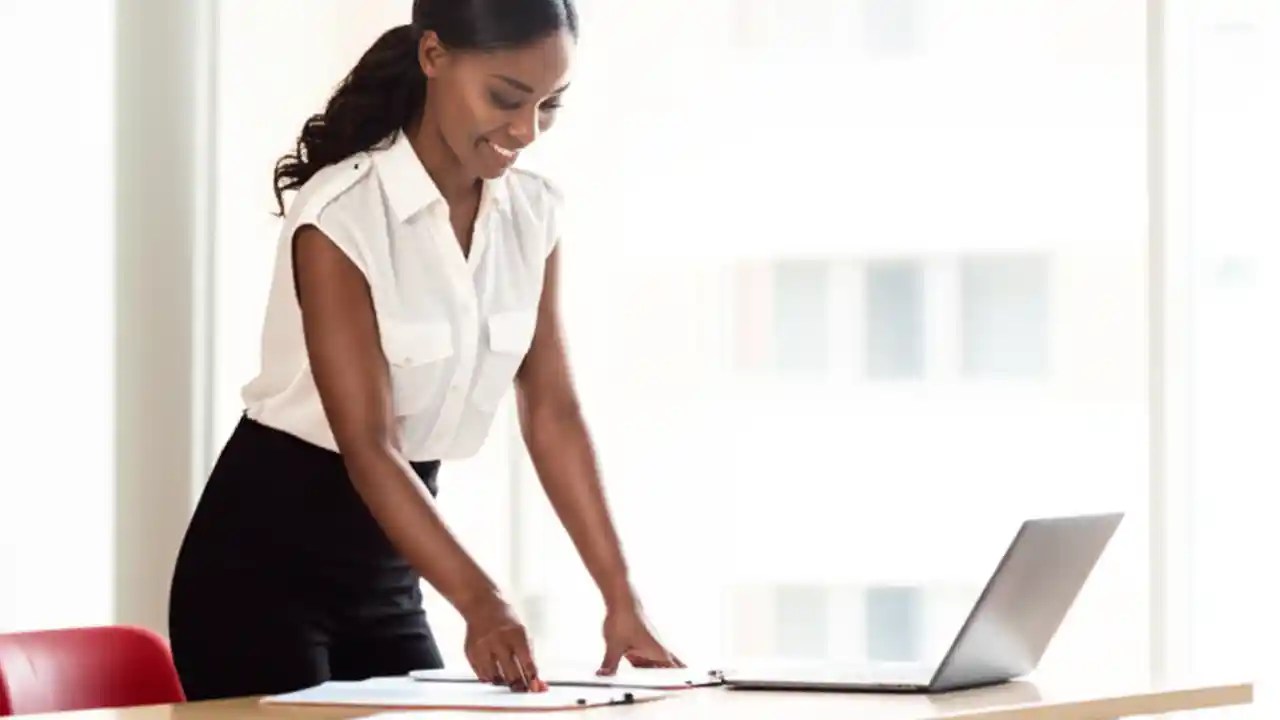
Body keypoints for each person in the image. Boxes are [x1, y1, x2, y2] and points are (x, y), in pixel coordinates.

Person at [167, 0, 681, 701]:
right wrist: (483, 601)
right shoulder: (340, 216)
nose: (525, 131)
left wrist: (621, 597)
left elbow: (552, 412)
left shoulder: (533, 214)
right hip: (260, 573)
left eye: (550, 105)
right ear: (433, 56)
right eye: (506, 98)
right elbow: (368, 444)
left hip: (389, 571)